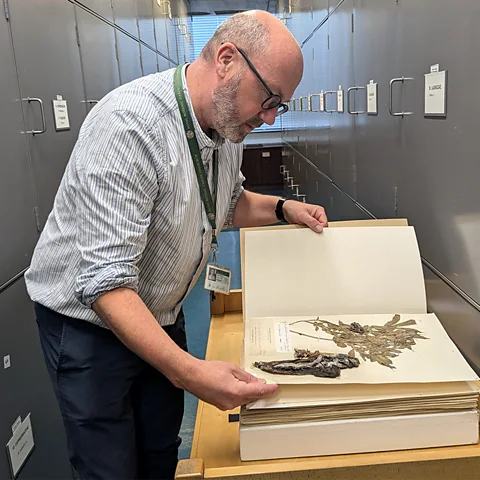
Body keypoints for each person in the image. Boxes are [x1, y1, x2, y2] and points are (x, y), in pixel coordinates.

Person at [25, 9, 328, 480]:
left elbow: (222, 204)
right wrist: (189, 371)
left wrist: (282, 208)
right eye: (269, 99)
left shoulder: (229, 127)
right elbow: (104, 284)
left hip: (160, 310)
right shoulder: (130, 126)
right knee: (110, 465)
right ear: (226, 59)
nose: (268, 119)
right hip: (91, 323)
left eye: (279, 107)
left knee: (160, 449)